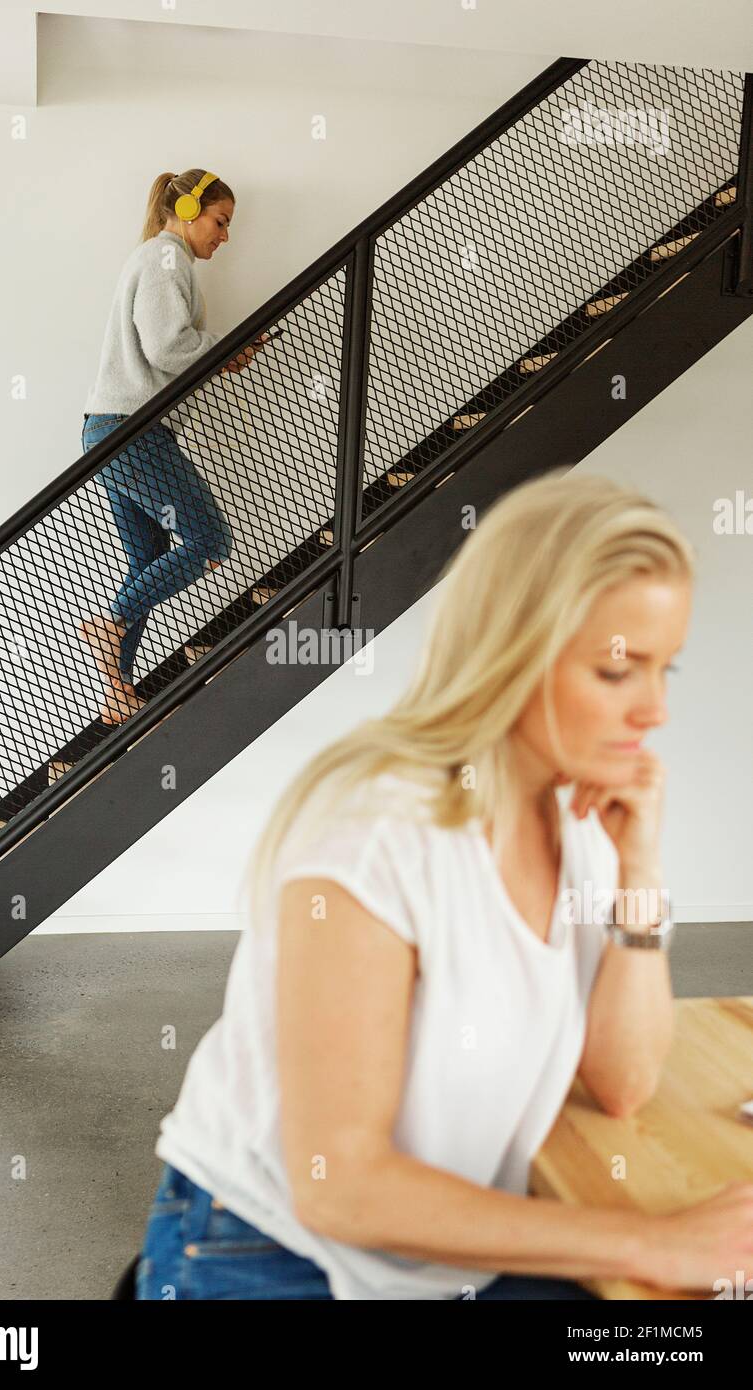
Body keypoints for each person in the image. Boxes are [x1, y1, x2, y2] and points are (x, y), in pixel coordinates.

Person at [136, 469, 753, 1300]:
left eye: (663, 671)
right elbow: (340, 1185)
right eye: (618, 672)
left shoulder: (579, 817)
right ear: (514, 651)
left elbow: (622, 1081)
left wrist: (640, 872)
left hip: (439, 1256)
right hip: (272, 1256)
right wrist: (652, 1244)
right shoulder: (379, 831)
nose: (654, 712)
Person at [79, 169, 267, 724]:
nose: (225, 236)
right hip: (129, 431)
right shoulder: (165, 260)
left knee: (149, 559)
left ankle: (117, 694)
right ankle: (109, 623)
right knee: (210, 540)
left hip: (111, 430)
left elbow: (168, 348)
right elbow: (167, 346)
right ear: (187, 210)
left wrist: (217, 353)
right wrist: (222, 346)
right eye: (221, 221)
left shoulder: (159, 261)